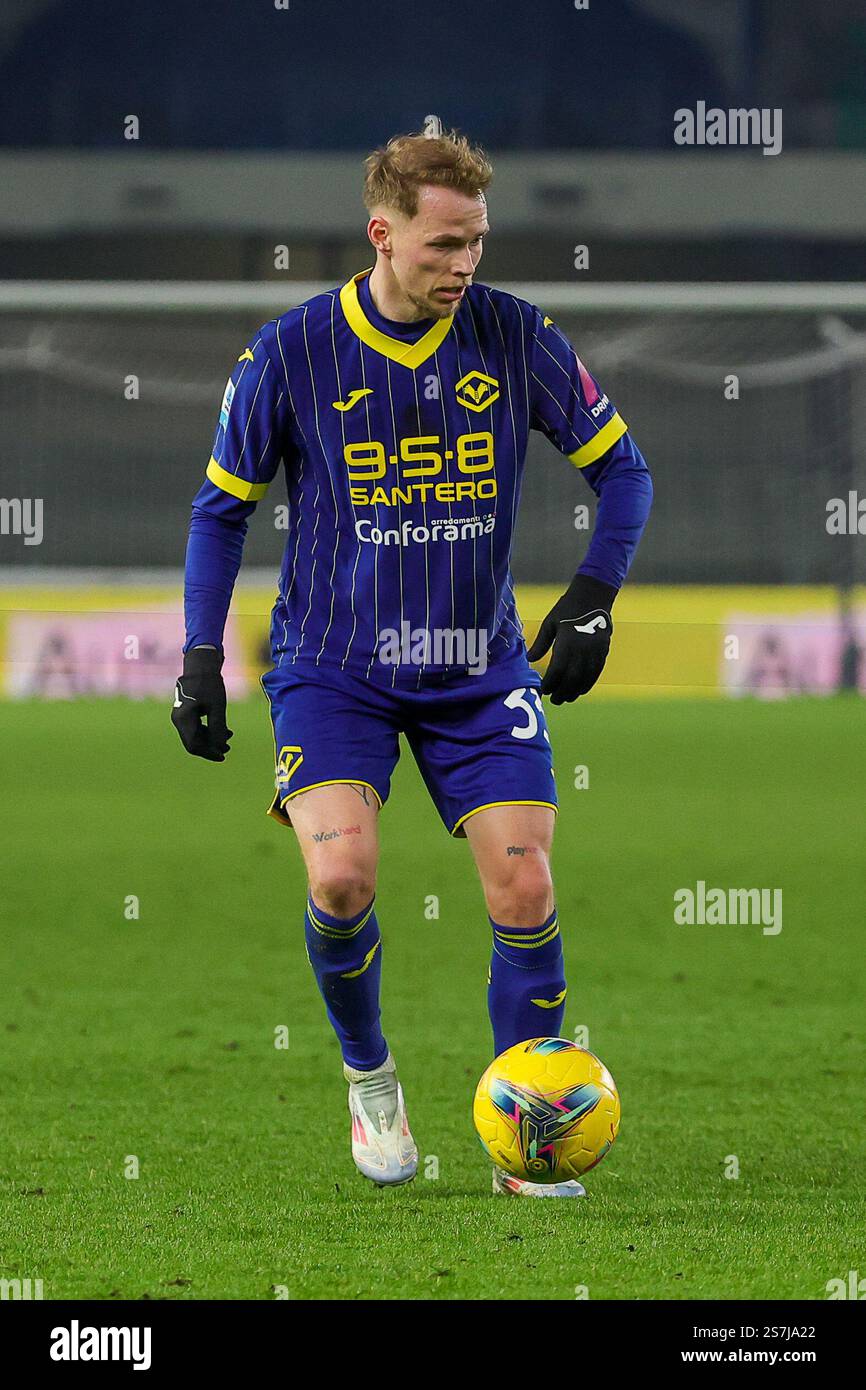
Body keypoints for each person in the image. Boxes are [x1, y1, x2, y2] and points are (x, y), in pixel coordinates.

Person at [172, 130, 652, 1197]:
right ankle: (368, 1073)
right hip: (332, 664)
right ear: (381, 234)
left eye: (476, 243)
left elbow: (623, 471)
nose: (463, 265)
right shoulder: (289, 353)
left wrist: (591, 598)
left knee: (523, 888)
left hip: (476, 666)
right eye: (443, 245)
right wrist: (200, 656)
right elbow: (221, 511)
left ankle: (524, 1141)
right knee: (340, 877)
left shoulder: (510, 333)